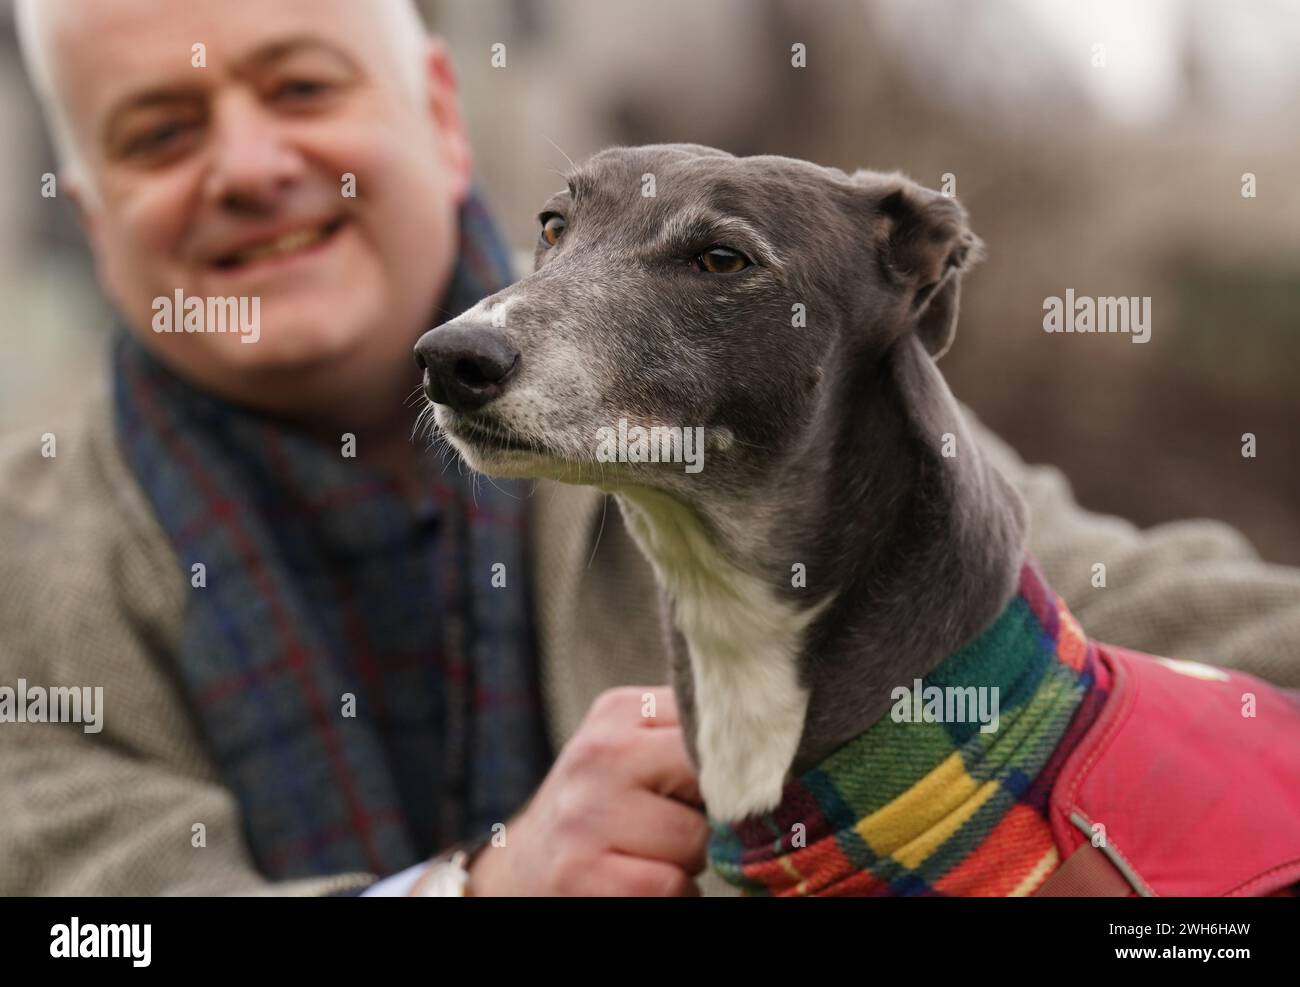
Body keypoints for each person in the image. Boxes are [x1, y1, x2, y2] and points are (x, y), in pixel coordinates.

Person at [3, 0, 1299, 897]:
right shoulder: (24, 581)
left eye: (300, 86)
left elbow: (1141, 603)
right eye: (159, 132)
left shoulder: (773, 419)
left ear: (441, 114)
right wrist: (472, 893)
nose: (248, 162)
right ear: (94, 214)